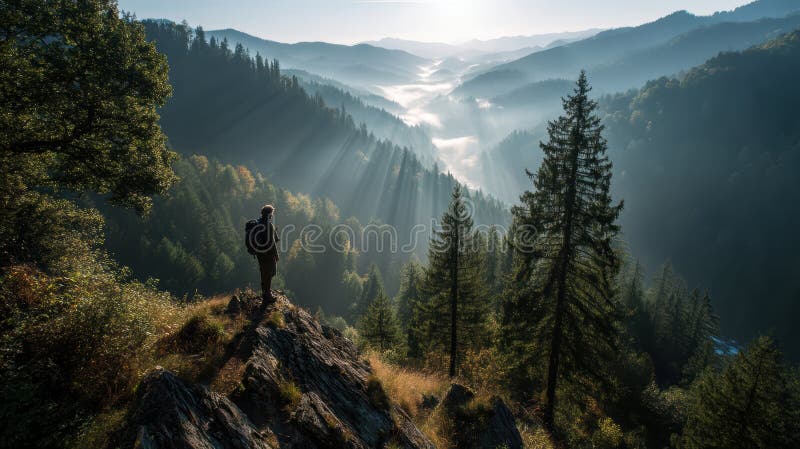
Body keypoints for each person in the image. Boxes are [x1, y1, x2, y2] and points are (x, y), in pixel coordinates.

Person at [252, 204, 280, 308]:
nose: (272, 215)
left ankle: (265, 293)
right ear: (269, 214)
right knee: (269, 273)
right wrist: (276, 255)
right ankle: (267, 296)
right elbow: (272, 243)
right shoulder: (268, 225)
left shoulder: (258, 222)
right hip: (268, 254)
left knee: (263, 273)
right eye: (272, 213)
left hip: (259, 254)